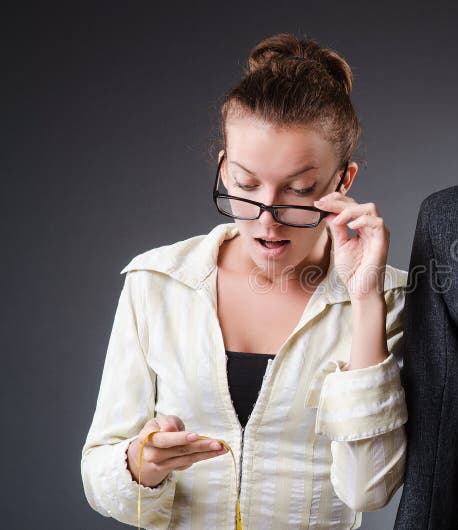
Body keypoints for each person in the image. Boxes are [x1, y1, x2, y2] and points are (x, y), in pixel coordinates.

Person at [80, 33, 408, 529]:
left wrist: (363, 301)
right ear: (223, 170)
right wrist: (139, 465)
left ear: (343, 183)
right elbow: (98, 469)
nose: (266, 219)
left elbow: (369, 488)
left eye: (299, 191)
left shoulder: (390, 300)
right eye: (247, 184)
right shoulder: (158, 282)